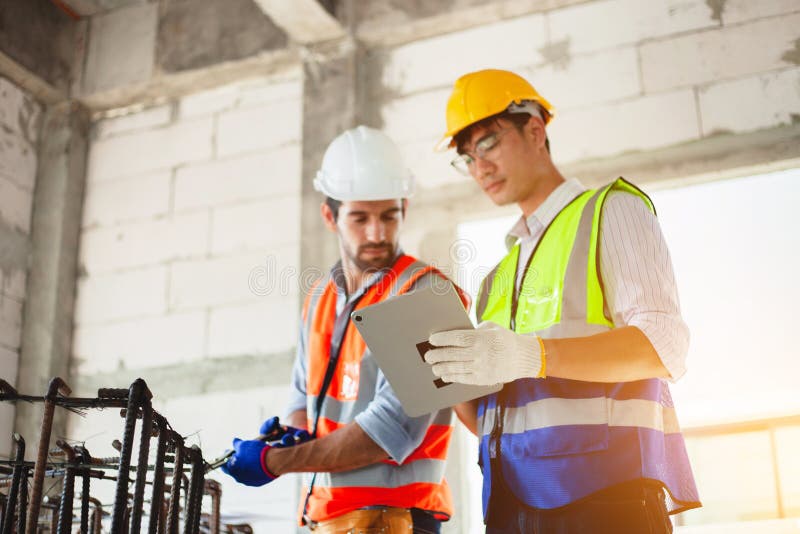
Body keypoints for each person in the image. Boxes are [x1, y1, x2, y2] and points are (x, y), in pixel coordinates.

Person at [423, 69, 701, 533]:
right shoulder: (497, 279)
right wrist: (445, 379)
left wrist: (532, 354)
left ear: (535, 130)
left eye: (487, 143)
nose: (479, 167)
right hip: (510, 508)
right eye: (467, 158)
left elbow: (664, 344)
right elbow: (500, 424)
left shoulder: (608, 210)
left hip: (607, 503)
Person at [223, 126, 465, 533]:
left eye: (390, 215)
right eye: (360, 217)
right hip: (328, 519)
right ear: (329, 215)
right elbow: (303, 397)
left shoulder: (425, 294)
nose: (377, 233)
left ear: (405, 208)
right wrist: (296, 434)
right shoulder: (320, 299)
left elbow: (389, 432)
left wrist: (274, 462)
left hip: (396, 520)